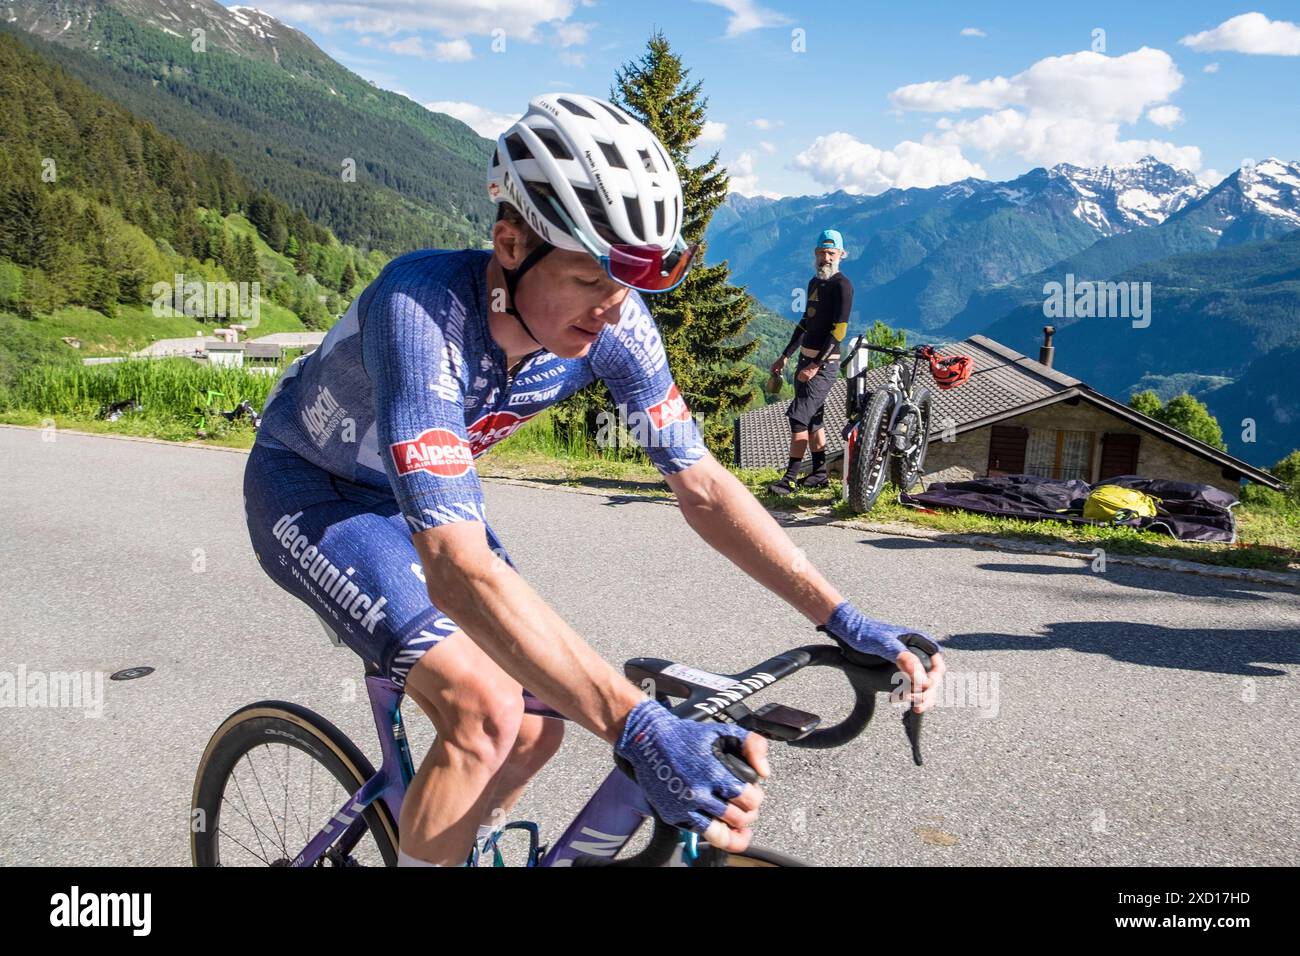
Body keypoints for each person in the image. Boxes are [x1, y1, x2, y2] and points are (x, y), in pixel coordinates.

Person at [241, 93, 943, 867]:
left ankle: (459, 847)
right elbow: (457, 568)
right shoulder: (420, 309)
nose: (613, 309)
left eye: (632, 282)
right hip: (313, 493)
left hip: (418, 503)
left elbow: (702, 484)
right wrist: (637, 724)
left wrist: (840, 615)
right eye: (589, 278)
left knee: (539, 723)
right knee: (482, 712)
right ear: (510, 242)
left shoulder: (613, 321)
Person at [768, 229, 853, 495]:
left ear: (841, 255)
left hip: (823, 365)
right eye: (820, 252)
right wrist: (785, 355)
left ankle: (790, 478)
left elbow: (839, 331)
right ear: (815, 254)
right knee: (814, 420)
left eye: (831, 253)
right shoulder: (814, 283)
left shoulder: (843, 286)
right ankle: (819, 474)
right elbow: (806, 322)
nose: (825, 258)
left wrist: (816, 365)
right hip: (804, 360)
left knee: (798, 418)